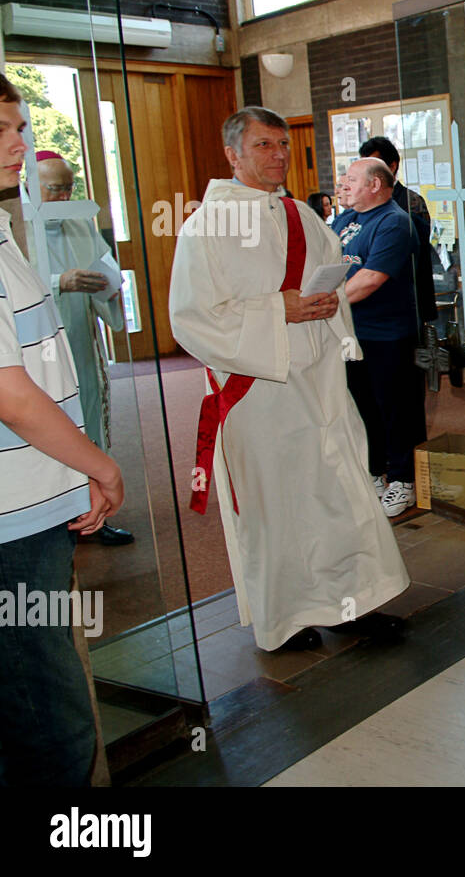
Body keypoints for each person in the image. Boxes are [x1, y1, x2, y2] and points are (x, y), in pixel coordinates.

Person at [169, 107, 409, 653]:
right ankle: (288, 617)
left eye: (282, 144)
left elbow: (331, 285)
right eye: (262, 145)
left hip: (318, 382)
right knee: (277, 508)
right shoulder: (207, 224)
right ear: (232, 154)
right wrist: (278, 309)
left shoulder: (303, 215)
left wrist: (328, 306)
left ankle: (348, 603)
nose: (277, 155)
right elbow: (191, 317)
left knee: (335, 496)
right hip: (258, 389)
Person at [0, 75, 124, 785]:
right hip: (13, 522)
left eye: (22, 128)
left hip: (33, 502)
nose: (22, 142)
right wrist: (98, 466)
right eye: (6, 130)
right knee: (48, 715)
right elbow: (11, 395)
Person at [34, 151, 132, 546]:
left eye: (68, 189)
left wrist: (108, 283)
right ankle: (54, 517)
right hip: (39, 349)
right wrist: (60, 281)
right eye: (54, 190)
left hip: (79, 339)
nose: (62, 198)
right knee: (50, 423)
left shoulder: (77, 221)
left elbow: (103, 263)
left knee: (88, 416)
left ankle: (94, 510)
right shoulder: (19, 226)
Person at [336, 157, 426, 517]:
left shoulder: (395, 222)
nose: (344, 182)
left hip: (388, 335)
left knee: (395, 409)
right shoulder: (345, 220)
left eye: (353, 178)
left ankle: (402, 480)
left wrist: (324, 302)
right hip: (351, 333)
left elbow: (370, 278)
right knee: (362, 409)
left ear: (375, 185)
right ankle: (374, 473)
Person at [358, 136, 438, 330]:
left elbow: (415, 257)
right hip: (373, 303)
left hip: (404, 300)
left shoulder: (410, 202)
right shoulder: (364, 205)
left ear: (392, 166)